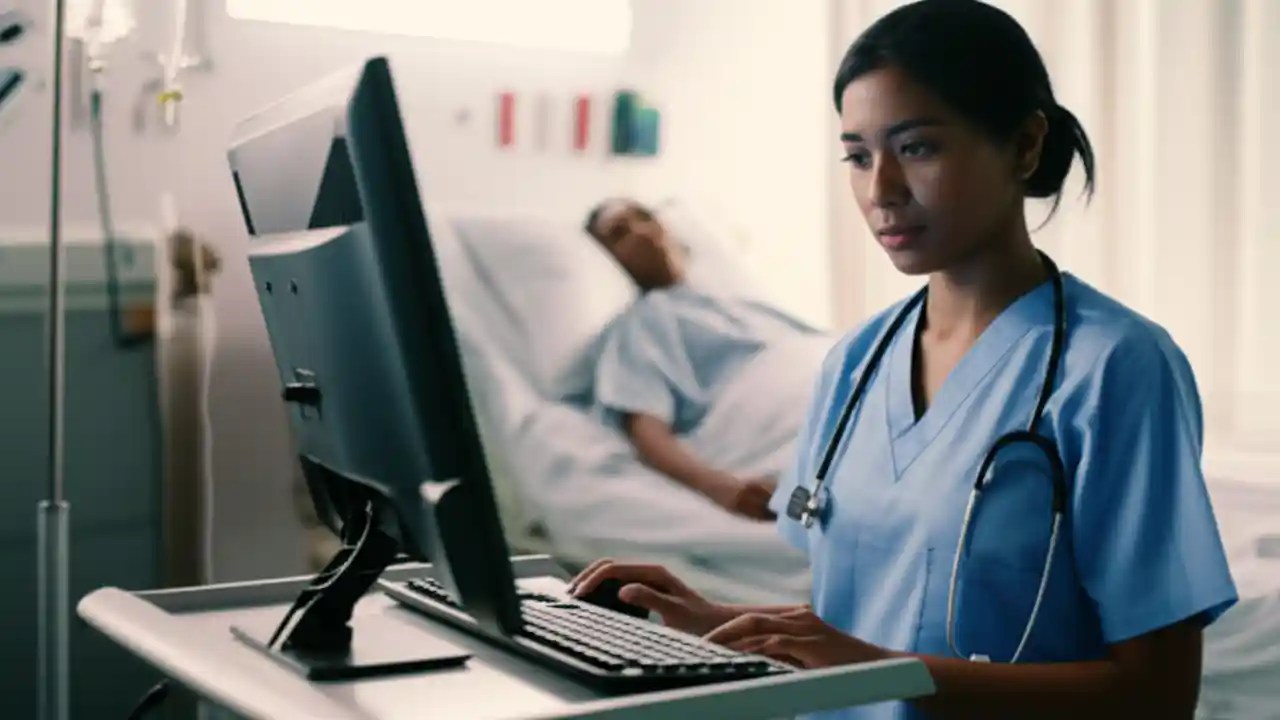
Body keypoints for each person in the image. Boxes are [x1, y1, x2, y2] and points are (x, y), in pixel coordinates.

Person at [569, 1, 1238, 718]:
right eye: (858, 156)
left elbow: (1159, 695)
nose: (880, 191)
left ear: (1023, 146)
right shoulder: (855, 363)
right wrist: (709, 620)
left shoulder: (1115, 368)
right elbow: (860, 619)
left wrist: (890, 671)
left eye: (916, 148)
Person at [585, 198, 823, 521]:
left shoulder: (732, 300)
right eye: (620, 232)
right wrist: (721, 487)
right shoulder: (641, 323)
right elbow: (645, 427)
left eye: (645, 218)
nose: (642, 232)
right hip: (771, 406)